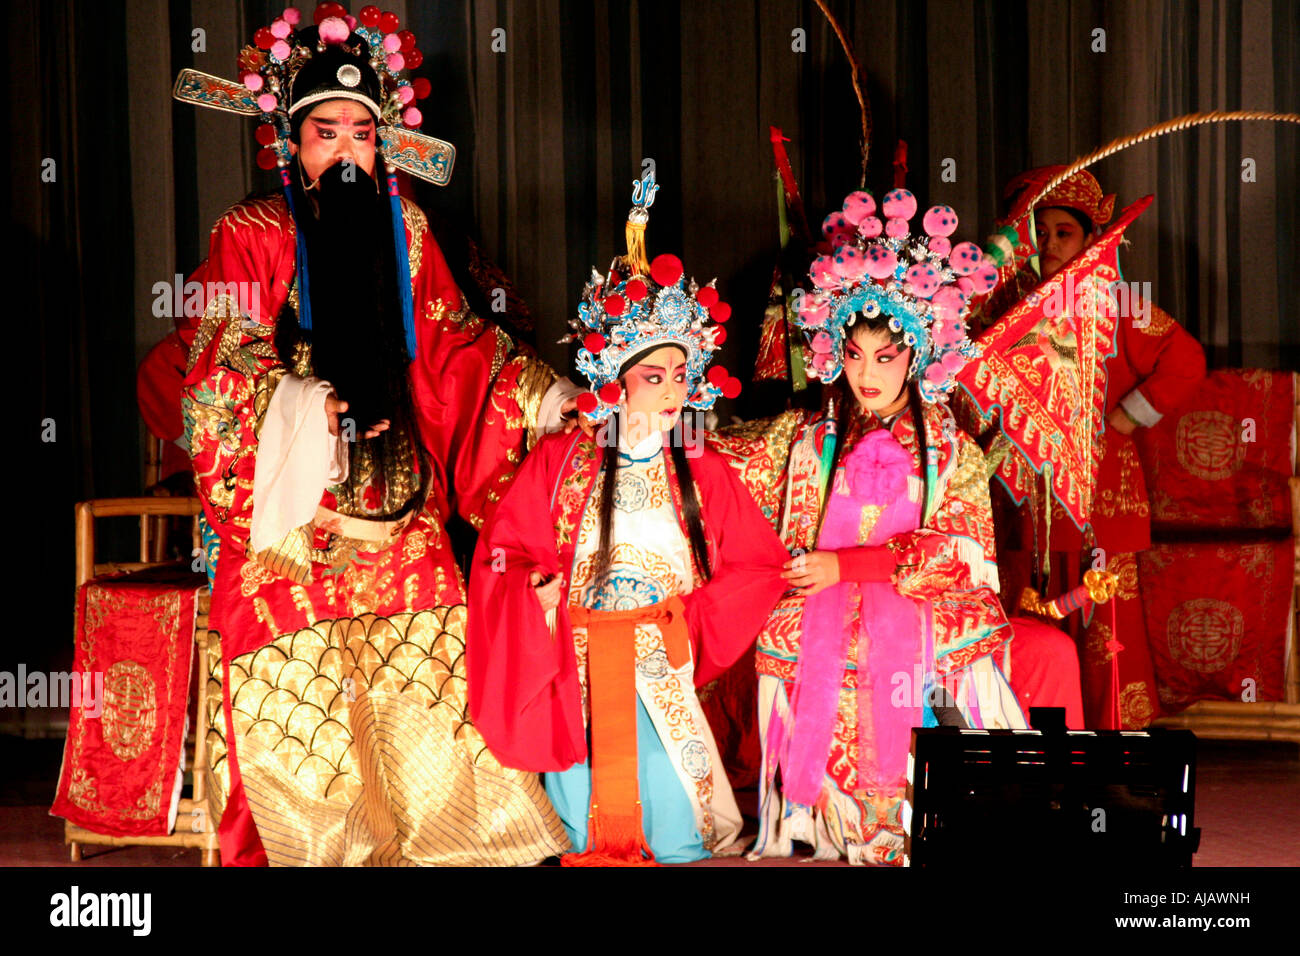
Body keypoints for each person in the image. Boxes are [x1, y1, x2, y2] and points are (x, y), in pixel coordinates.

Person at [179, 10, 581, 865]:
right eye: (327, 134)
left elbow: (454, 348)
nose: (349, 154)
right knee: (313, 735)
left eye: (364, 135)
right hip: (297, 529)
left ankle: (453, 850)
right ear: (290, 143)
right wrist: (294, 403)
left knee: (433, 718)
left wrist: (544, 400)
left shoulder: (409, 233)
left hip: (401, 511)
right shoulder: (249, 236)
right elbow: (219, 359)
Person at [467, 182, 789, 865]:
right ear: (615, 379)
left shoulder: (701, 466)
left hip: (660, 669)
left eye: (681, 374)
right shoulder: (561, 460)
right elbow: (502, 551)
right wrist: (534, 588)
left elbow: (758, 565)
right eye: (654, 376)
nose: (673, 390)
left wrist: (690, 623)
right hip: (575, 667)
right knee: (583, 828)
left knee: (673, 830)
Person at [723, 188, 1035, 865]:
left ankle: (921, 813)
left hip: (918, 607)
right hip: (824, 606)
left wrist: (852, 566)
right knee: (786, 630)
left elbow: (962, 553)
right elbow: (731, 465)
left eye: (885, 358)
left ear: (918, 356)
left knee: (926, 650)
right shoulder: (808, 436)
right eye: (855, 355)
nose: (867, 374)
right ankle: (823, 819)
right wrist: (647, 424)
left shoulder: (952, 450)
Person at [991, 167, 1206, 729]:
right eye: (1042, 232)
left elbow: (1187, 362)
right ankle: (1035, 749)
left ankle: (1109, 758)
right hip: (1027, 502)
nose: (1052, 244)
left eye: (1065, 232)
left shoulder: (1120, 304)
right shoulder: (1008, 307)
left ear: (1091, 240)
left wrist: (1127, 416)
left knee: (1106, 642)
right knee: (1031, 632)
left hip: (1098, 504)